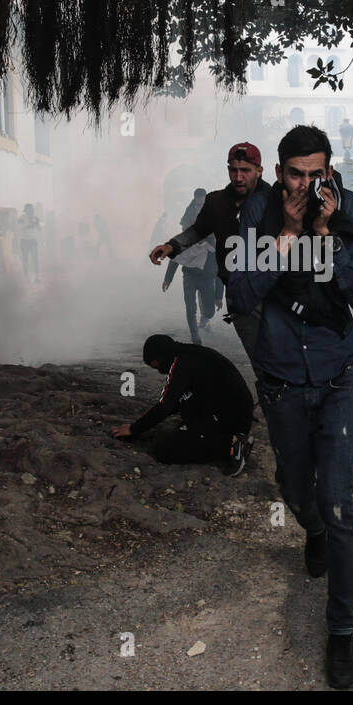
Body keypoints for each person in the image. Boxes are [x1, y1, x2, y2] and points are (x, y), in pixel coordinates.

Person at [227, 125, 353, 689]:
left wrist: (326, 237)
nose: (306, 184)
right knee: (295, 488)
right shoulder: (259, 211)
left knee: (339, 502)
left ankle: (341, 631)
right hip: (283, 376)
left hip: (340, 372)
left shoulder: (349, 207)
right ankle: (308, 527)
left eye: (317, 175)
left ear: (330, 172)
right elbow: (238, 295)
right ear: (279, 171)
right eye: (295, 173)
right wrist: (287, 236)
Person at [150, 143, 270, 363]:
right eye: (234, 170)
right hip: (237, 292)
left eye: (246, 170)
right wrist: (171, 246)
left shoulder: (275, 201)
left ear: (259, 170)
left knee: (282, 354)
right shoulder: (216, 202)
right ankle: (270, 394)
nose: (239, 177)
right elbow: (197, 230)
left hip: (271, 292)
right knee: (259, 358)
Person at [109, 334, 254, 476]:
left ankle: (230, 445)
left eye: (157, 366)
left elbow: (164, 406)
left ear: (161, 357)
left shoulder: (181, 364)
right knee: (184, 415)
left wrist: (134, 429)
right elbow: (178, 400)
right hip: (238, 413)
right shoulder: (195, 353)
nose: (160, 371)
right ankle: (228, 436)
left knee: (165, 448)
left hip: (228, 417)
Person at [161, 189, 223, 345]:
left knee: (208, 310)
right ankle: (195, 337)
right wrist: (168, 278)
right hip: (189, 275)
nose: (198, 208)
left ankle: (205, 317)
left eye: (201, 204)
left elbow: (221, 267)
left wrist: (218, 296)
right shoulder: (188, 225)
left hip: (207, 277)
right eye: (197, 204)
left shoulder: (214, 236)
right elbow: (176, 254)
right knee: (190, 308)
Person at [17, 203, 41, 282]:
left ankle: (37, 277)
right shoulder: (21, 218)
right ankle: (27, 277)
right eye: (30, 210)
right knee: (25, 260)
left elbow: (39, 229)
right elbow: (19, 227)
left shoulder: (36, 218)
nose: (31, 212)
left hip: (33, 240)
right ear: (26, 211)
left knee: (35, 259)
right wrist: (29, 224)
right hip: (24, 241)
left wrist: (37, 224)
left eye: (32, 210)